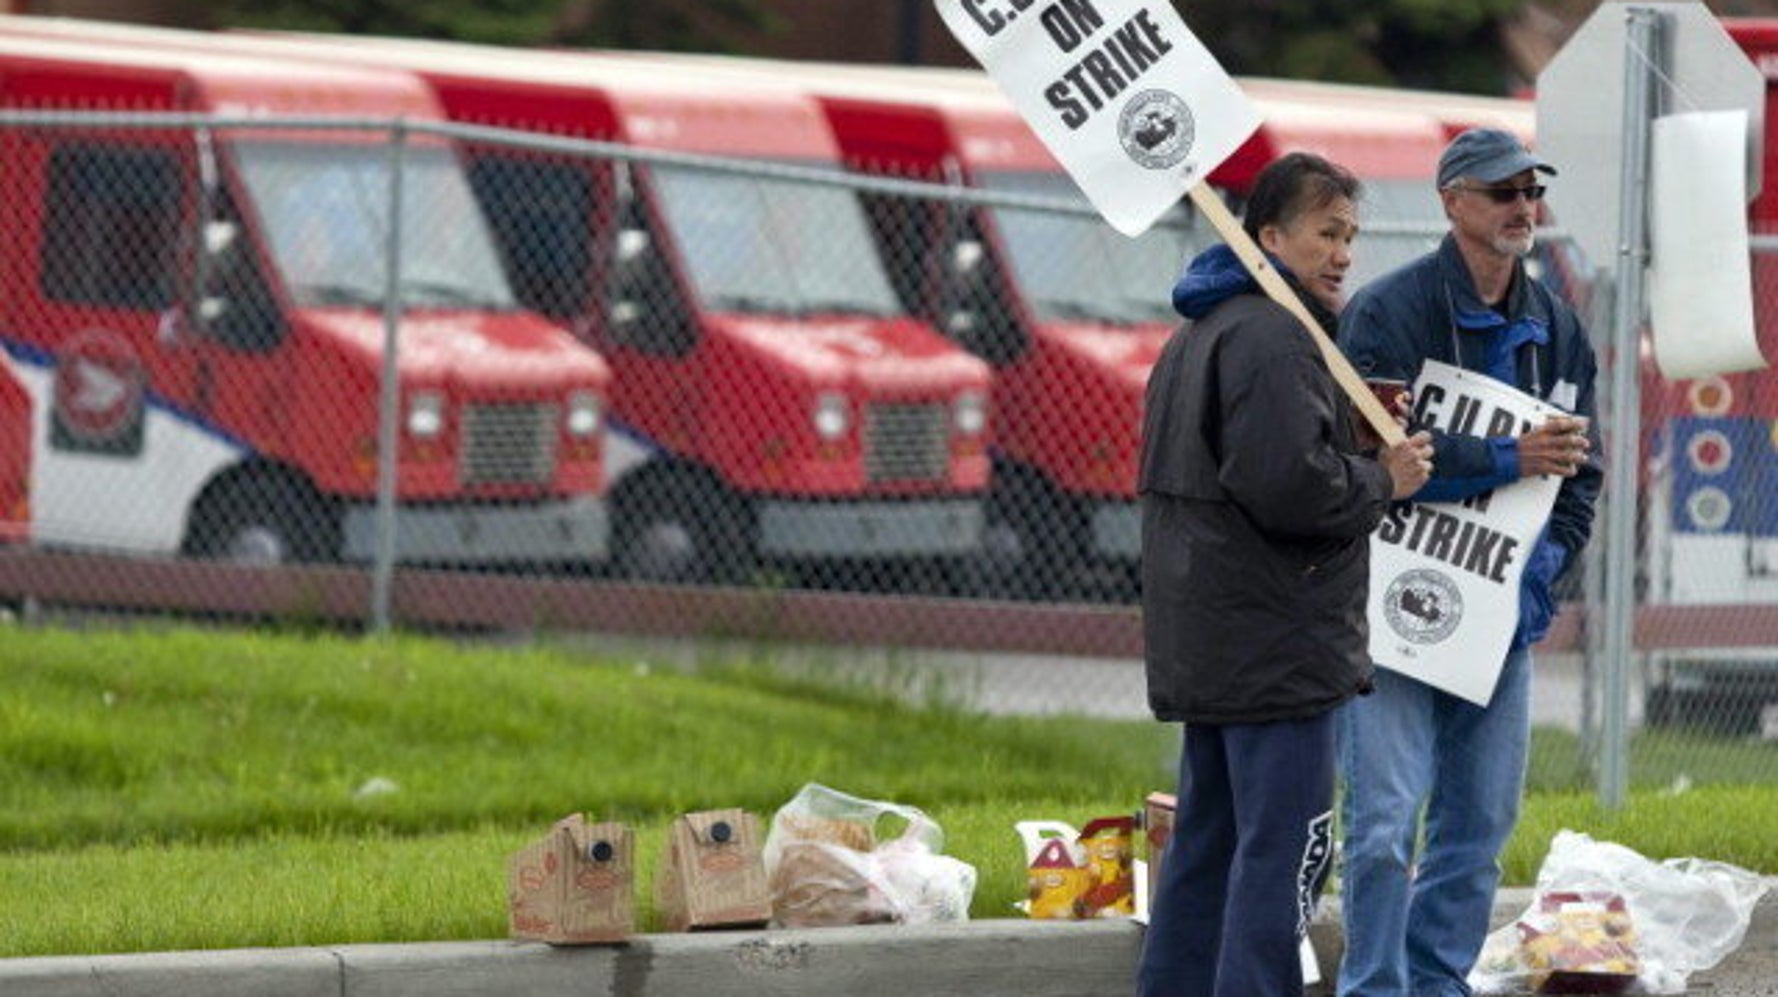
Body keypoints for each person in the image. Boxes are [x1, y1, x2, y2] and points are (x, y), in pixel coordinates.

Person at [1135, 151, 1434, 997]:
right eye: (1325, 233)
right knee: (1288, 856)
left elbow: (1248, 467)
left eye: (1351, 236)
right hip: (1278, 650)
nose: (1343, 254)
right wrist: (1384, 477)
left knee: (1207, 849)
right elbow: (1290, 488)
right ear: (1268, 236)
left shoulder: (1203, 330)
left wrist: (1346, 433)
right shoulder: (1274, 337)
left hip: (1217, 642)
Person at [1333, 128, 1602, 997]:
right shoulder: (1387, 313)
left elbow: (1581, 476)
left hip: (1500, 622)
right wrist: (1507, 458)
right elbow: (1375, 456)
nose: (1523, 207)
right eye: (1502, 192)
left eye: (1531, 191)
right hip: (1392, 614)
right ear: (1452, 202)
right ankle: (1375, 986)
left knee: (1480, 826)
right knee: (1382, 825)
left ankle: (1436, 980)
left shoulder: (1557, 327)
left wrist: (1540, 571)